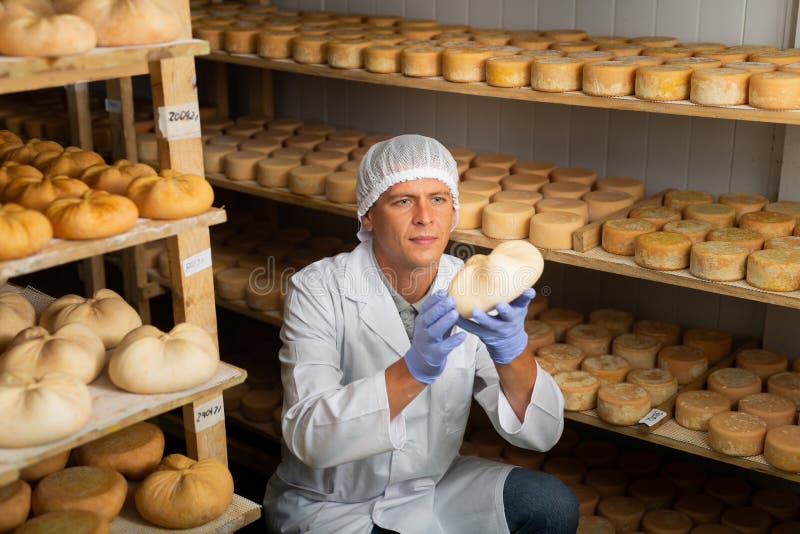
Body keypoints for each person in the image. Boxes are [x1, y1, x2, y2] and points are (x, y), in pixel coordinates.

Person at [264, 134, 578, 533]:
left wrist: (511, 349)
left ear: (454, 212)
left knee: (551, 506)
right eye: (403, 201)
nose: (425, 217)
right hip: (334, 503)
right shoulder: (318, 289)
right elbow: (308, 434)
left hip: (433, 487)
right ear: (368, 215)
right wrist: (413, 370)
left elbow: (542, 434)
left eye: (438, 199)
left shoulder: (469, 284)